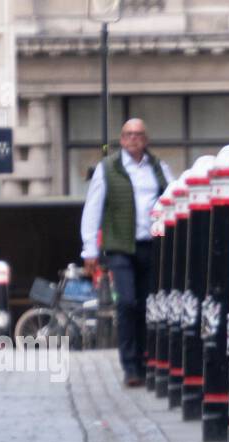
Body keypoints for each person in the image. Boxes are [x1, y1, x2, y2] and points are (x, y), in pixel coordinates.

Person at [80, 118, 174, 386]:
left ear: (146, 139)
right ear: (121, 140)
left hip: (151, 245)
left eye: (138, 134)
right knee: (127, 302)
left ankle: (146, 362)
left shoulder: (159, 168)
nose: (133, 139)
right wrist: (90, 249)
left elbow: (176, 197)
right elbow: (93, 208)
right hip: (120, 246)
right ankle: (130, 365)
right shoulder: (107, 168)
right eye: (128, 134)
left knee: (147, 305)